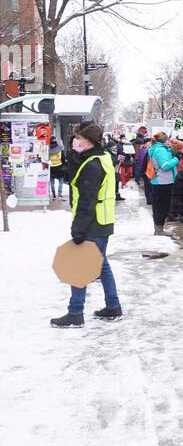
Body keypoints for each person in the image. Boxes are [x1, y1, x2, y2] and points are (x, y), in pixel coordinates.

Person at [50, 122, 122, 327]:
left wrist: (78, 229)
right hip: (102, 220)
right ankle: (113, 305)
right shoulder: (103, 156)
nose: (76, 141)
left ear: (89, 141)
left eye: (79, 138)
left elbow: (86, 199)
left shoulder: (92, 165)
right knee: (101, 265)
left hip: (92, 222)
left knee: (80, 267)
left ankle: (75, 313)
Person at [147, 130, 179, 235]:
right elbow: (165, 165)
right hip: (163, 181)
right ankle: (159, 229)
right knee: (162, 206)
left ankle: (159, 228)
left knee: (158, 206)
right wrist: (175, 159)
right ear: (164, 140)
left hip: (159, 181)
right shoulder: (160, 150)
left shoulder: (155, 148)